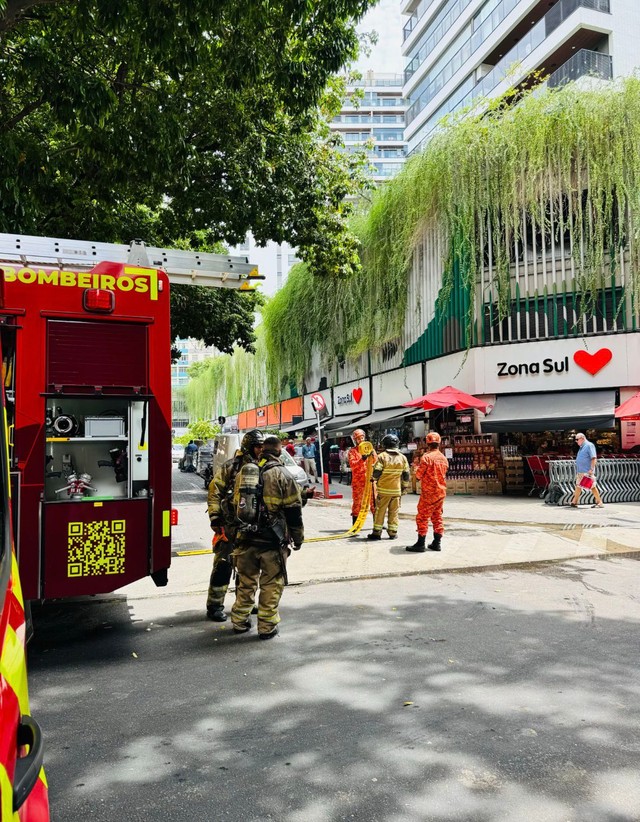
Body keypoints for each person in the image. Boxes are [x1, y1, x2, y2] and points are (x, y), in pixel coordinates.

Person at [230, 435, 304, 639]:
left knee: (245, 583)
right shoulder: (283, 475)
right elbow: (293, 511)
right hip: (272, 542)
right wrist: (298, 538)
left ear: (262, 451)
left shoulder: (244, 475)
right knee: (271, 584)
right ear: (279, 452)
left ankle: (239, 622)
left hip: (244, 539)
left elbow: (234, 504)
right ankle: (267, 627)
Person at [205, 429, 265, 621]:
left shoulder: (263, 467)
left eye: (262, 446)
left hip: (252, 527)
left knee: (248, 567)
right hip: (229, 526)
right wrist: (215, 518)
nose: (260, 450)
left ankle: (244, 602)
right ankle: (214, 605)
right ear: (249, 447)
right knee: (223, 565)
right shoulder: (231, 467)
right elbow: (214, 492)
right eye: (257, 446)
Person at [406, 431, 448, 552]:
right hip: (441, 492)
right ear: (439, 443)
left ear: (427, 443)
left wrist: (415, 468)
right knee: (437, 516)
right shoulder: (444, 458)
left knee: (422, 517)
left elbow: (418, 475)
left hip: (429, 493)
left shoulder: (426, 457)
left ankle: (420, 543)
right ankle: (437, 543)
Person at [367, 434, 410, 540]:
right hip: (396, 491)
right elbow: (406, 474)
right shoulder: (403, 457)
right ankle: (393, 532)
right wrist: (404, 487)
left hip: (383, 491)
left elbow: (377, 471)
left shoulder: (382, 456)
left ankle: (377, 533)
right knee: (394, 512)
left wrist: (373, 478)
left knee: (380, 511)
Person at [348, 428, 376, 525]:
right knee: (358, 503)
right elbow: (353, 465)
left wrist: (373, 455)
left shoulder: (370, 449)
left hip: (371, 480)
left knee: (374, 501)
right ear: (355, 440)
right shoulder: (352, 452)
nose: (361, 440)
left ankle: (377, 524)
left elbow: (376, 463)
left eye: (362, 437)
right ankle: (355, 524)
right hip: (358, 482)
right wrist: (362, 459)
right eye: (358, 438)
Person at [570, 432, 604, 508]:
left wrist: (591, 469)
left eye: (577, 439)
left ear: (582, 438)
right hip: (581, 471)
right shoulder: (582, 446)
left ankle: (599, 502)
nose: (576, 441)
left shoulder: (589, 445)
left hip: (587, 471)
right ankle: (574, 501)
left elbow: (593, 458)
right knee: (578, 485)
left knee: (592, 486)